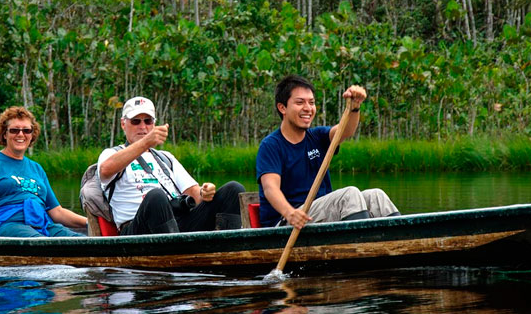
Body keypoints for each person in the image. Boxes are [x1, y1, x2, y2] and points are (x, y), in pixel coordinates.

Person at [257, 75, 399, 229]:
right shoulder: (271, 145)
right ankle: (362, 246)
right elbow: (270, 188)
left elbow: (345, 131)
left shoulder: (317, 137)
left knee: (376, 196)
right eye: (300, 102)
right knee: (349, 194)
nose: (308, 108)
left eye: (311, 102)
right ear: (282, 107)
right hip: (287, 223)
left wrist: (354, 107)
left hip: (320, 215)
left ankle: (403, 244)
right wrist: (290, 212)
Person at [97, 96, 245, 235]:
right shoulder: (111, 153)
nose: (142, 127)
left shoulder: (165, 157)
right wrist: (146, 143)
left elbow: (195, 194)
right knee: (156, 196)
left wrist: (205, 192)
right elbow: (105, 170)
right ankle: (175, 253)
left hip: (176, 223)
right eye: (136, 121)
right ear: (124, 124)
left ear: (153, 124)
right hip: (138, 228)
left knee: (233, 190)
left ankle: (227, 246)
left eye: (148, 121)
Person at [0, 106, 87, 241]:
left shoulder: (37, 169)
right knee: (39, 242)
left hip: (42, 225)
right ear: (4, 134)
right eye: (14, 130)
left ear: (32, 135)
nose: (21, 134)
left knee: (80, 241)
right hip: (7, 224)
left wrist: (87, 222)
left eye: (26, 130)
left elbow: (57, 212)